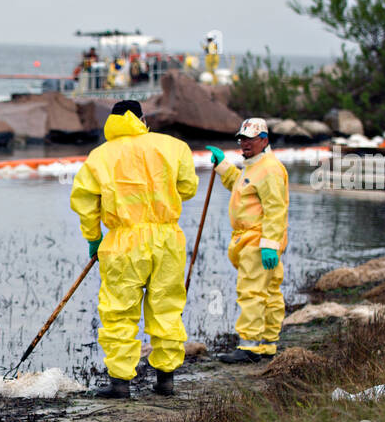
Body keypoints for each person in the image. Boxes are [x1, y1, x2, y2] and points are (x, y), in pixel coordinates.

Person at [70, 99, 198, 398]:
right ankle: (165, 380)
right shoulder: (173, 146)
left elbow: (85, 201)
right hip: (167, 239)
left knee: (119, 312)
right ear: (142, 118)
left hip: (122, 241)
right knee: (167, 308)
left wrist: (93, 238)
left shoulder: (100, 156)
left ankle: (120, 384)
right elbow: (188, 188)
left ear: (112, 122)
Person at [206, 119, 290, 364]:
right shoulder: (254, 166)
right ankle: (267, 344)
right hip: (256, 240)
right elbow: (240, 187)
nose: (244, 144)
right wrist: (222, 166)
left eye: (250, 139)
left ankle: (250, 347)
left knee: (252, 292)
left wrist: (269, 244)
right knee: (269, 291)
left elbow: (276, 210)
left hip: (258, 239)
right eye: (242, 139)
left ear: (264, 140)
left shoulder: (270, 169)